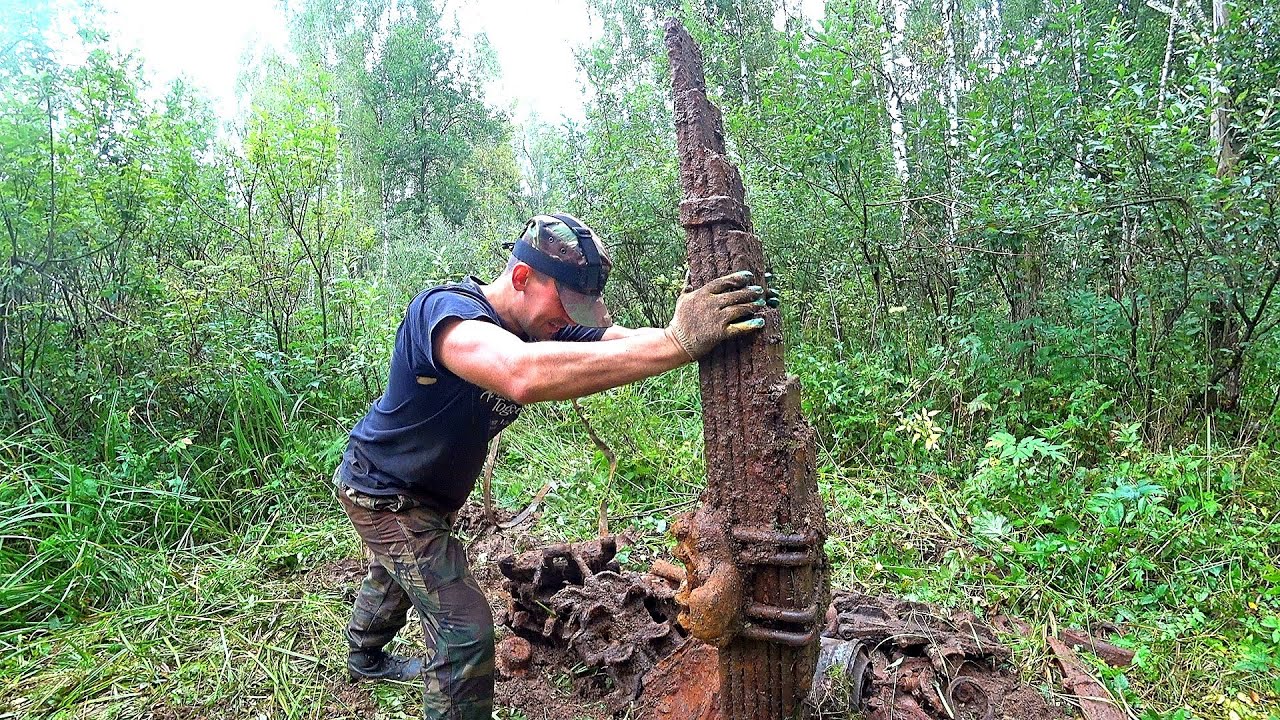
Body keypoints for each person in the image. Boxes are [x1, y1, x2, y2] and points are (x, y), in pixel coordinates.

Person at [334, 213, 771, 719]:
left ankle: (363, 657)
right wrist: (677, 343)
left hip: (426, 491)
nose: (568, 320)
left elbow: (618, 341)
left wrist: (713, 327)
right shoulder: (446, 314)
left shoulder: (539, 327)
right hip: (385, 491)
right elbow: (520, 373)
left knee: (396, 572)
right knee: (465, 632)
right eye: (563, 304)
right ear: (522, 277)